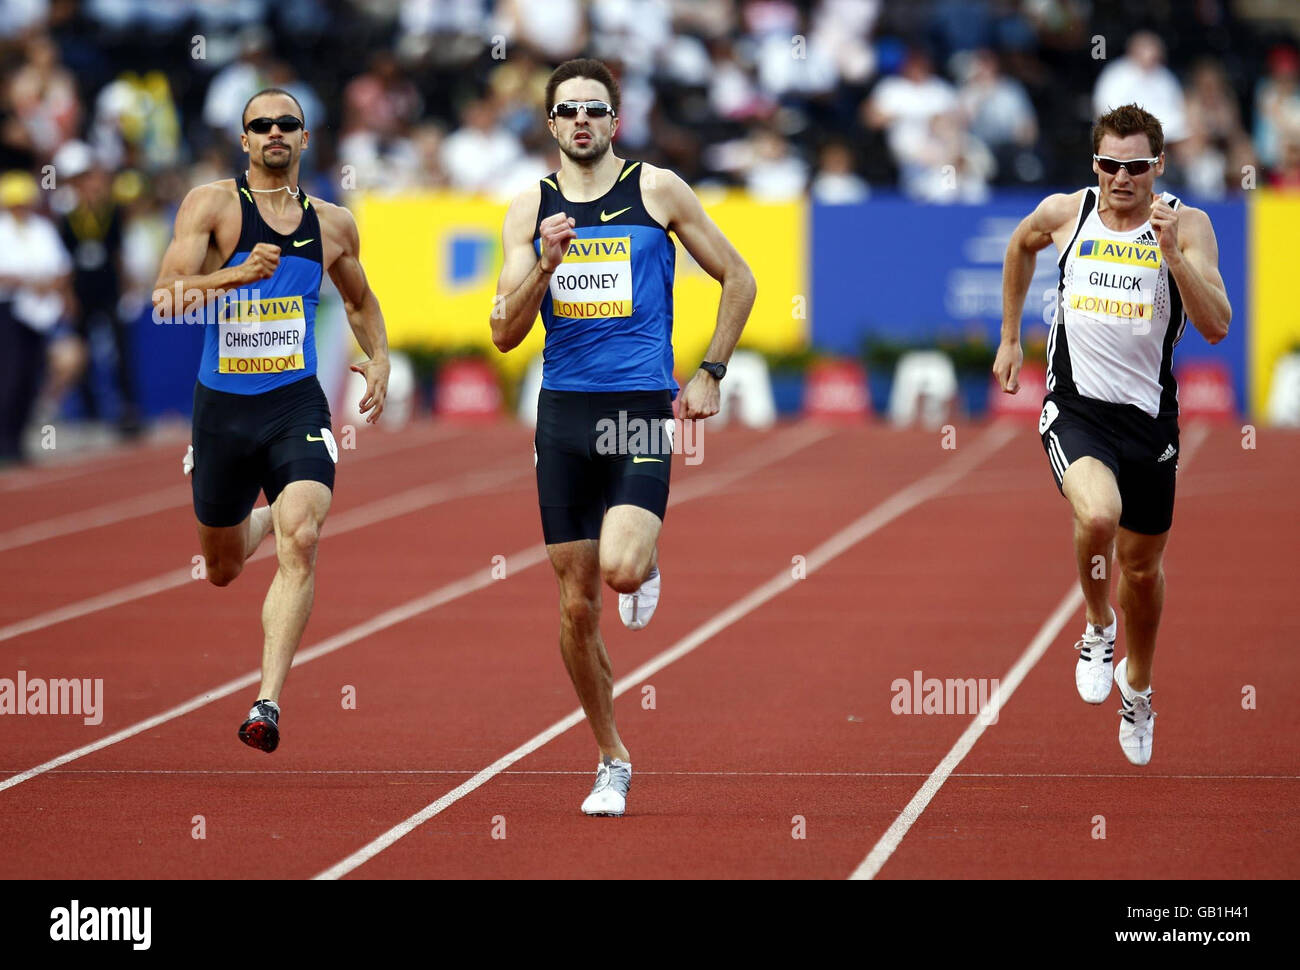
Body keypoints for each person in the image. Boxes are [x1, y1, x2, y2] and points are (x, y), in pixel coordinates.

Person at [490, 58, 755, 815]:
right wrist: (543, 266)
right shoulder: (527, 210)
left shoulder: (657, 190)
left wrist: (709, 371)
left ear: (615, 121)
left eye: (594, 110)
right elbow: (504, 332)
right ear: (550, 124)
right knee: (576, 607)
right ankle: (612, 756)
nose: (581, 121)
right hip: (563, 413)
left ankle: (647, 555)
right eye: (567, 110)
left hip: (638, 405)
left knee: (623, 572)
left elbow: (740, 278)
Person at [152, 88, 390, 753]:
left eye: (288, 124)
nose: (276, 133)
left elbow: (361, 300)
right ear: (245, 140)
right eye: (262, 125)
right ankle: (255, 517)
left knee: (305, 536)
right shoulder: (213, 207)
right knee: (223, 566)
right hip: (224, 413)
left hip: (296, 405)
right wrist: (233, 276)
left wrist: (380, 358)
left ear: (306, 139)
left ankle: (267, 702)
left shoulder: (334, 223)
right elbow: (165, 299)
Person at [994, 104, 1231, 765]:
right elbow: (1019, 244)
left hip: (1150, 422)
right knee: (1099, 516)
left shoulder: (1187, 224)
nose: (1121, 178)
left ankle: (1140, 684)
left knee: (1143, 569)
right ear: (1094, 163)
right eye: (1108, 165)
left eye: (1135, 166)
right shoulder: (1069, 214)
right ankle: (1098, 626)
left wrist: (1171, 258)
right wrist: (1011, 335)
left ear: (1158, 165)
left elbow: (1216, 325)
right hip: (1076, 409)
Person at [0, 169, 80, 465]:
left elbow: (62, 267)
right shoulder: (3, 230)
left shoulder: (42, 229)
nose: (22, 207)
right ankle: (4, 440)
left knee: (30, 374)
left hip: (40, 311)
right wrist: (29, 282)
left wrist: (54, 287)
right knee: (10, 374)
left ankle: (17, 442)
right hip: (9, 310)